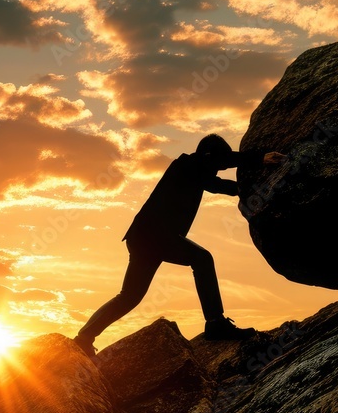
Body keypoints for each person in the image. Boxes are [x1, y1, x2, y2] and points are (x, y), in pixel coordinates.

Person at [72, 134, 286, 357]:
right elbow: (216, 179)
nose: (219, 168)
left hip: (145, 237)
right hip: (153, 236)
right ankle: (215, 323)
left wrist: (244, 186)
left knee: (129, 296)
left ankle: (83, 338)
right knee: (202, 259)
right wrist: (258, 158)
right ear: (208, 156)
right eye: (218, 163)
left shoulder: (197, 171)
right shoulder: (187, 164)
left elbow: (216, 182)